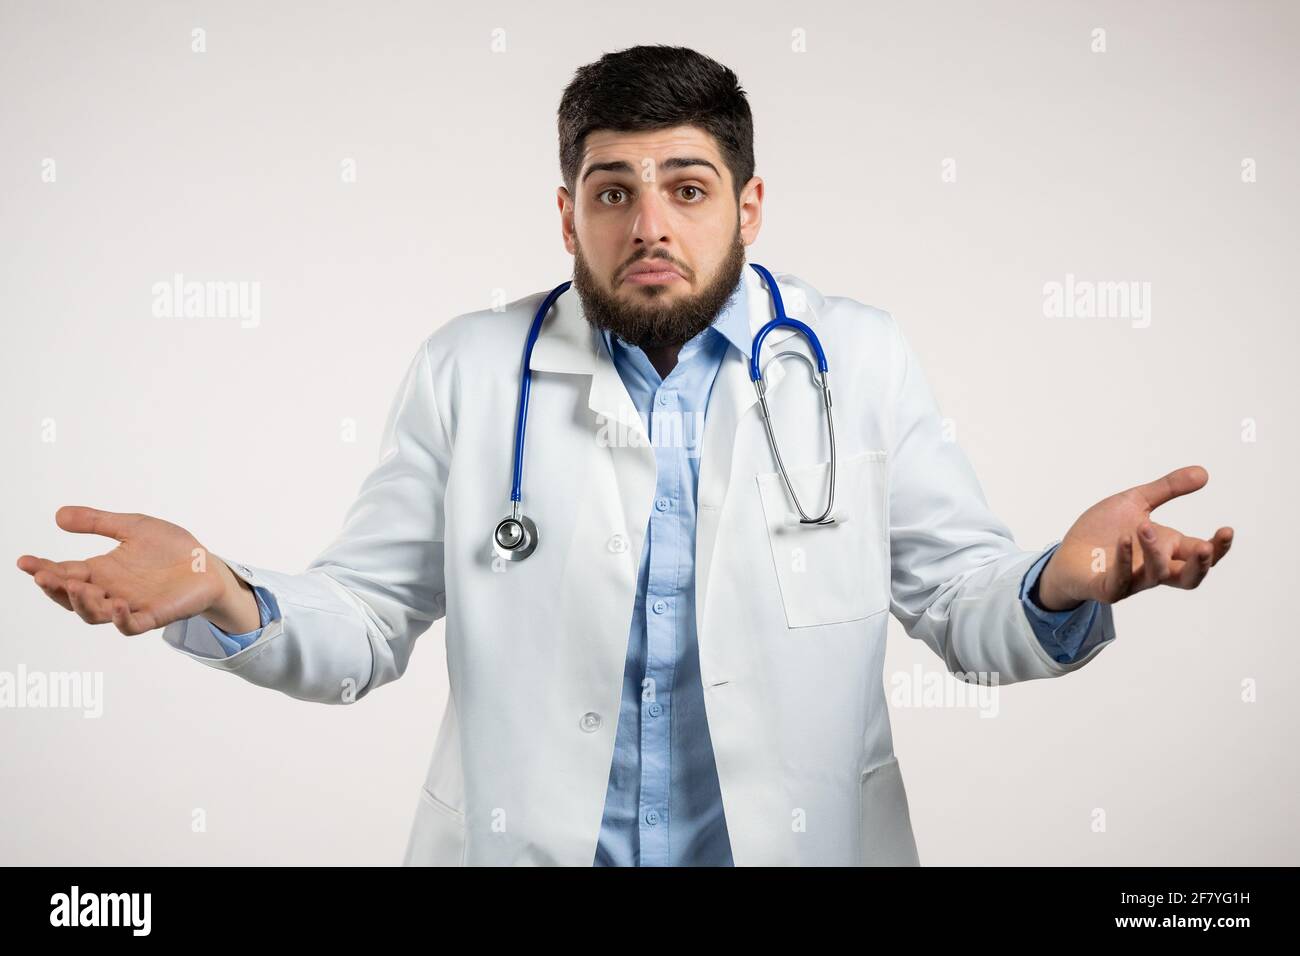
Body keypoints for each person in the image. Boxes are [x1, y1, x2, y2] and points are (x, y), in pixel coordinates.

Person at [16, 45, 1233, 866]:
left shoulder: (855, 361)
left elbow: (963, 607)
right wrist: (232, 590)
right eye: (612, 190)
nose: (649, 223)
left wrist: (1058, 583)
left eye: (687, 187)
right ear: (566, 213)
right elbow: (365, 624)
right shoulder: (468, 368)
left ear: (749, 208)